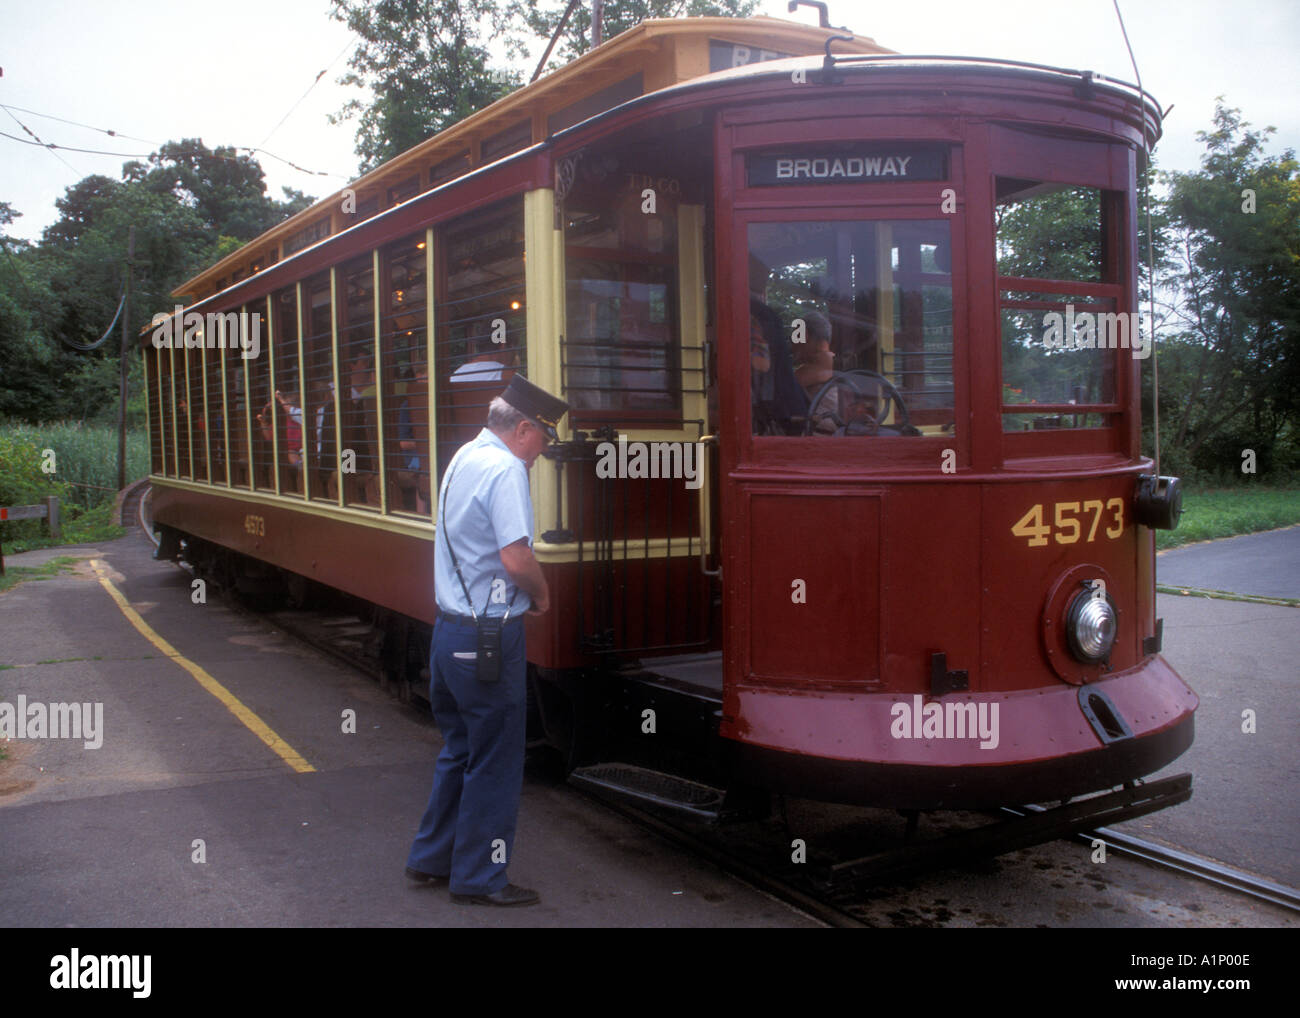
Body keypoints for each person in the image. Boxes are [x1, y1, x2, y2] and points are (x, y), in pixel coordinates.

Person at [406, 374, 569, 907]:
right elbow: (516, 557)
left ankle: (431, 858)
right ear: (523, 428)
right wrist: (543, 596)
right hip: (489, 638)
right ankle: (481, 877)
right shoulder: (504, 469)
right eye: (542, 439)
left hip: (449, 631)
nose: (541, 452)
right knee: (497, 761)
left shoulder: (462, 457)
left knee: (459, 750)